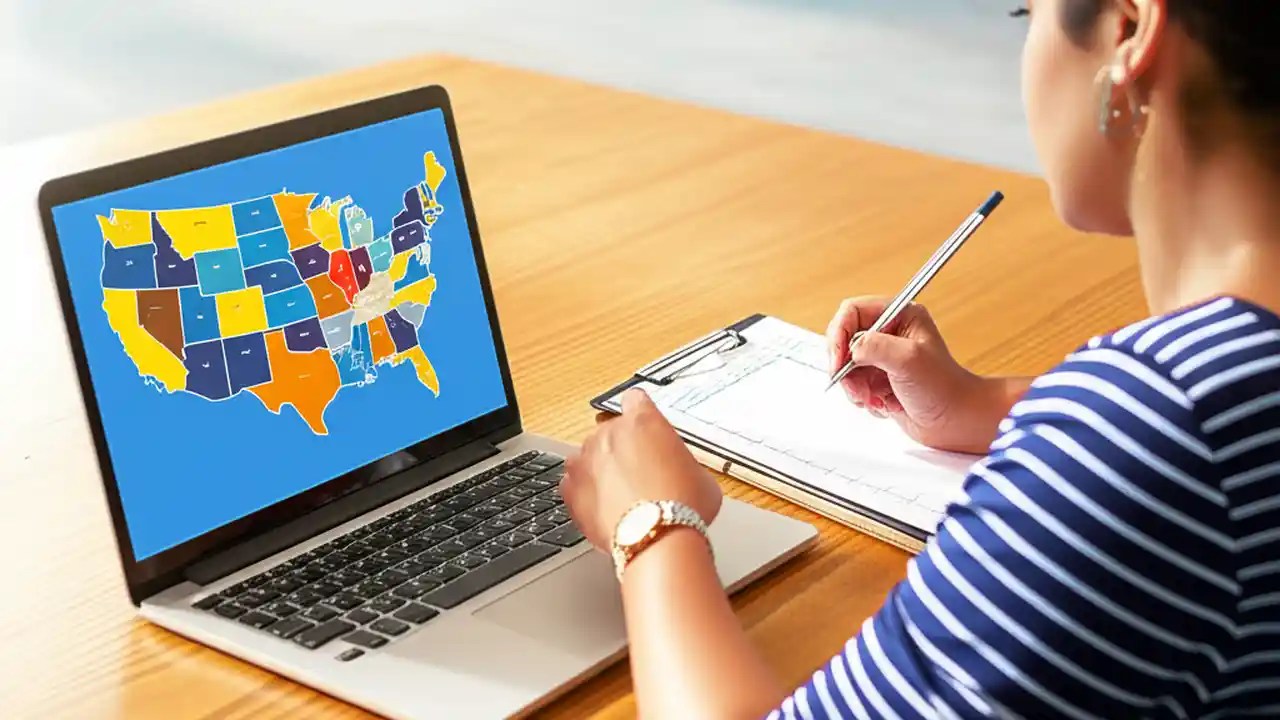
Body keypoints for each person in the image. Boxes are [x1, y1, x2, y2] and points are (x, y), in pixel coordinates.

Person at [558, 0, 1280, 717]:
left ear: (1127, 28)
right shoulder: (1209, 398)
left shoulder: (1161, 433)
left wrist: (652, 528)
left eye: (1024, 13)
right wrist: (986, 405)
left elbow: (1171, 443)